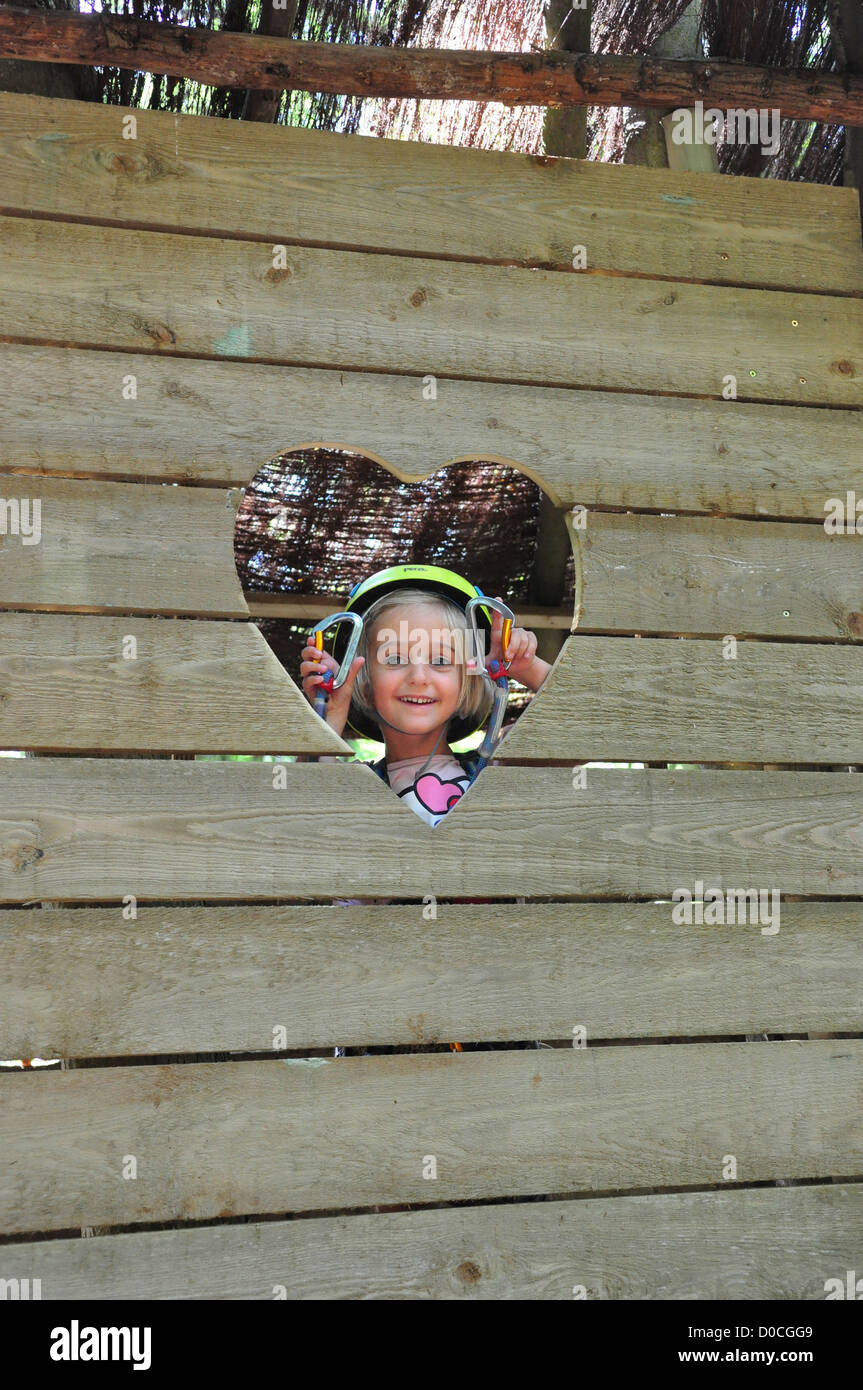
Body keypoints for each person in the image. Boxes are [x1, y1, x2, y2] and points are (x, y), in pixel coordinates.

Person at [300, 564, 552, 826]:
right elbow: (301, 811)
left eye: (441, 660)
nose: (418, 677)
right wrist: (329, 716)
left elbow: (589, 722)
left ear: (468, 681)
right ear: (364, 682)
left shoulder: (503, 765)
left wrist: (526, 667)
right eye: (395, 658)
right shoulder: (349, 788)